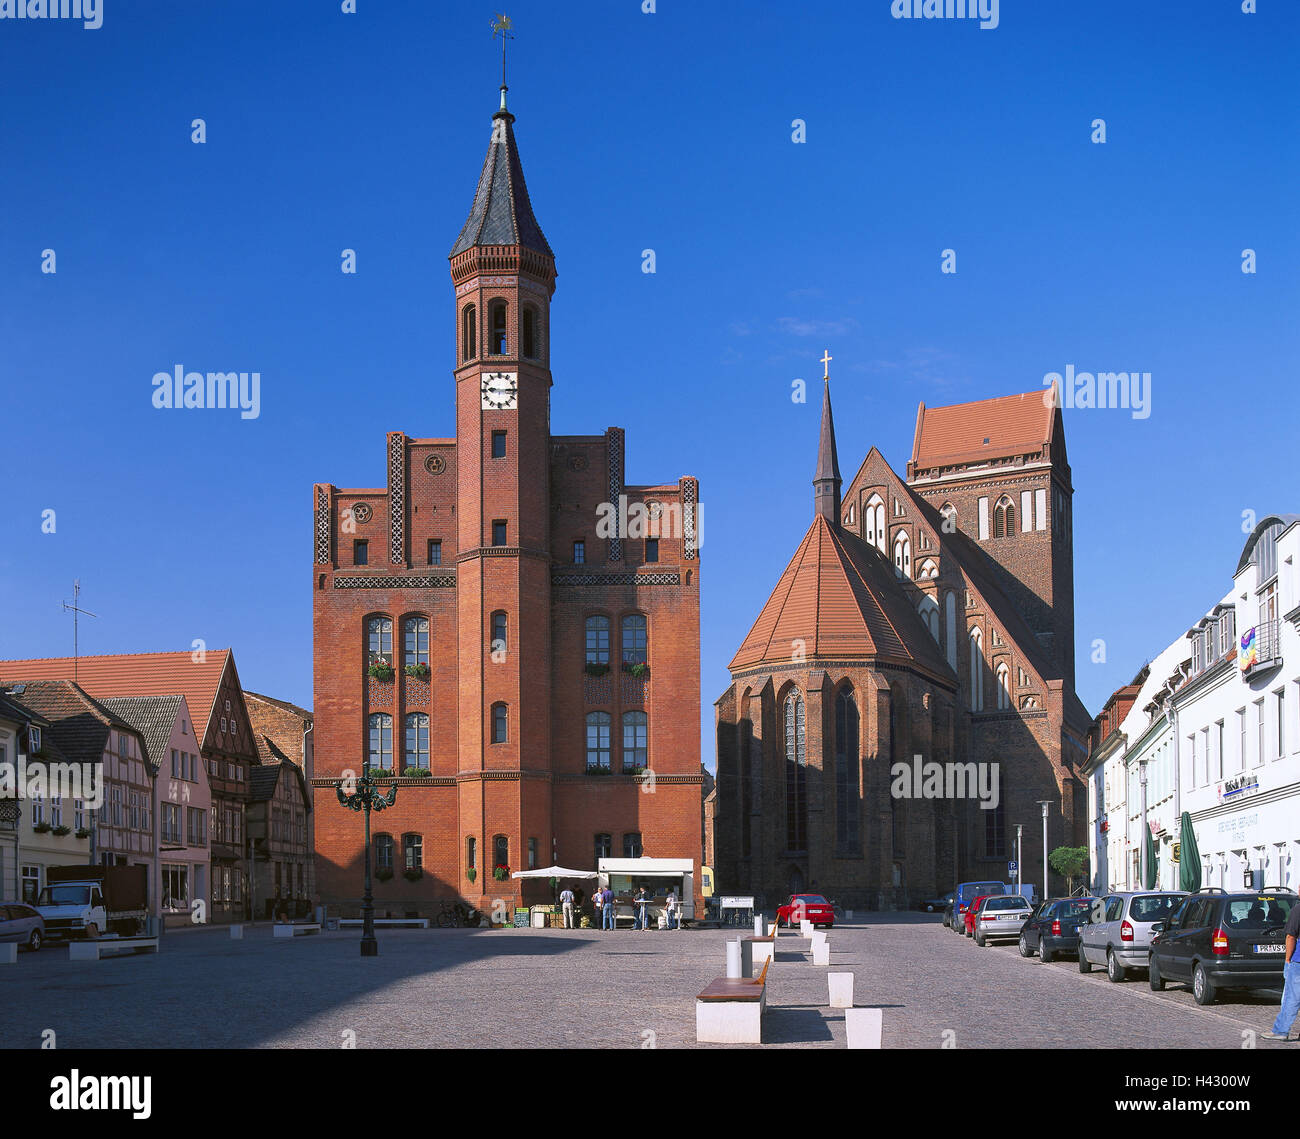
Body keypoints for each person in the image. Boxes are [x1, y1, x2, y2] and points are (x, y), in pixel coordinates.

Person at [1263, 898, 1300, 1040]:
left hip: (1298, 961)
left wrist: (1287, 959)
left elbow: (1291, 936)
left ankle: (1281, 1030)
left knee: (1291, 998)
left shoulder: (1298, 909)